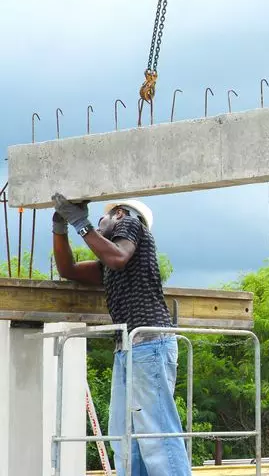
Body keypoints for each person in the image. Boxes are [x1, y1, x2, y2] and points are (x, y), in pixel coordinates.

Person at [51, 193, 191, 476]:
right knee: (125, 437)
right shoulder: (111, 262)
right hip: (129, 347)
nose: (98, 224)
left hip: (149, 344)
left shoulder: (131, 223)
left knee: (156, 432)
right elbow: (68, 270)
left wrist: (80, 222)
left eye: (102, 219)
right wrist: (60, 226)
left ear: (118, 214)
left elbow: (117, 257)